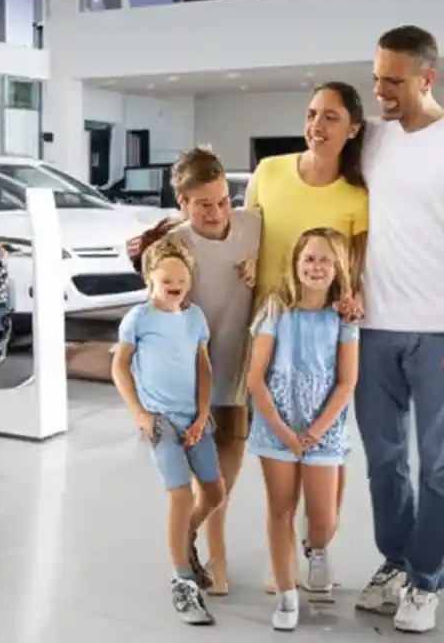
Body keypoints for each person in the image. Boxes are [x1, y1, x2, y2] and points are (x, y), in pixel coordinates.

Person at [245, 80, 369, 594]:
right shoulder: (270, 171)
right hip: (268, 329)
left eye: (331, 117)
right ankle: (284, 570)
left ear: (353, 129)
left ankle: (316, 547)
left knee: (327, 477)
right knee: (274, 467)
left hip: (326, 332)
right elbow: (242, 231)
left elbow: (356, 266)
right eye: (312, 113)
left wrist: (352, 299)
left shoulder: (356, 194)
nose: (317, 125)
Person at [129, 148, 260, 596]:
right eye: (204, 203)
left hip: (237, 378)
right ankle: (194, 559)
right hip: (187, 392)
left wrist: (260, 268)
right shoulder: (175, 246)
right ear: (182, 202)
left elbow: (294, 261)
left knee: (220, 488)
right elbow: (153, 287)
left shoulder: (252, 228)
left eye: (224, 200)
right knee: (197, 484)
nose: (217, 211)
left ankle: (196, 547)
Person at [352, 24, 444, 633]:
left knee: (440, 467)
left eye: (393, 80)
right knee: (385, 462)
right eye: (377, 76)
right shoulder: (372, 143)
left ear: (426, 77)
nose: (380, 90)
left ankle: (426, 578)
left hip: (439, 331)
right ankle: (396, 562)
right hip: (376, 328)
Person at [244, 227, 360, 631]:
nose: (315, 266)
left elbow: (346, 383)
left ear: (338, 269)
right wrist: (283, 430)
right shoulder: (275, 310)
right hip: (276, 427)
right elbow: (256, 379)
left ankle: (317, 550)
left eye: (325, 260)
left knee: (323, 519)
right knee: (281, 509)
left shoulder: (344, 320)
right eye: (309, 258)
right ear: (295, 263)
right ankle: (286, 594)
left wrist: (312, 435)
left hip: (322, 432)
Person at [111, 235, 226, 626]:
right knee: (179, 494)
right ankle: (182, 579)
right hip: (161, 421)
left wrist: (202, 414)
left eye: (181, 279)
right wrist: (140, 415)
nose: (175, 286)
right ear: (150, 281)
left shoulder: (195, 318)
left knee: (214, 491)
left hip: (195, 418)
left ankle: (185, 539)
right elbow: (119, 367)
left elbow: (204, 368)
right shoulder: (138, 319)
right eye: (166, 280)